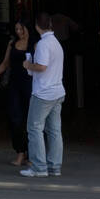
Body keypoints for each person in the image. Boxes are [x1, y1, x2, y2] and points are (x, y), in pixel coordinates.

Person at [21, 11, 65, 178]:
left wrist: (27, 65)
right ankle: (55, 166)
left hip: (43, 93)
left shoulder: (43, 45)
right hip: (58, 91)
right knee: (54, 130)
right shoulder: (56, 43)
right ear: (51, 25)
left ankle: (39, 167)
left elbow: (41, 66)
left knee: (34, 128)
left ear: (37, 26)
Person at [0, 16, 35, 167]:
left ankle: (32, 154)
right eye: (16, 29)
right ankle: (20, 152)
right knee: (15, 118)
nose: (18, 32)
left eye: (21, 29)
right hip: (14, 84)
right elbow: (6, 62)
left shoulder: (35, 44)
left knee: (30, 119)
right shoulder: (12, 43)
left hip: (30, 84)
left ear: (27, 29)